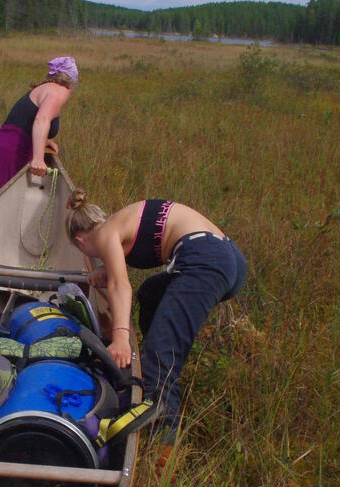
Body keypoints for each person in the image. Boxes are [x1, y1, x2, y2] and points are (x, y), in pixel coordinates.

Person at [65, 189, 247, 460]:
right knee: (150, 294)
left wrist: (121, 338)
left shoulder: (105, 234)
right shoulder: (117, 223)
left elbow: (119, 285)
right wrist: (106, 269)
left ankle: (163, 453)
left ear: (80, 242)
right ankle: (161, 353)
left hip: (204, 260)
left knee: (159, 359)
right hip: (229, 257)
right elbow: (129, 256)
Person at [0, 56, 79, 199]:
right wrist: (38, 158)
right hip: (10, 154)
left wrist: (43, 141)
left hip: (1, 149)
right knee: (3, 207)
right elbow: (41, 120)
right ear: (72, 83)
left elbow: (23, 123)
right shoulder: (60, 91)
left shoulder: (44, 88)